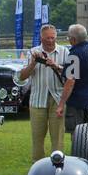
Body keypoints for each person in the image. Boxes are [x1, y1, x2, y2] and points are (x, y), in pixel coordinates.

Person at [19, 24, 70, 161]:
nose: (50, 41)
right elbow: (22, 77)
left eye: (53, 37)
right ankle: (37, 166)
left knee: (58, 137)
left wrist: (56, 66)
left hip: (58, 99)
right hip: (37, 99)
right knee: (37, 137)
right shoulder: (33, 52)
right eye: (47, 38)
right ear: (41, 38)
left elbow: (71, 77)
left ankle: (58, 164)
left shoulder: (65, 51)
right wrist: (33, 63)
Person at [59, 24, 88, 146]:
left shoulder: (74, 54)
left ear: (73, 39)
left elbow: (70, 81)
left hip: (77, 101)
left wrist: (61, 104)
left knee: (78, 136)